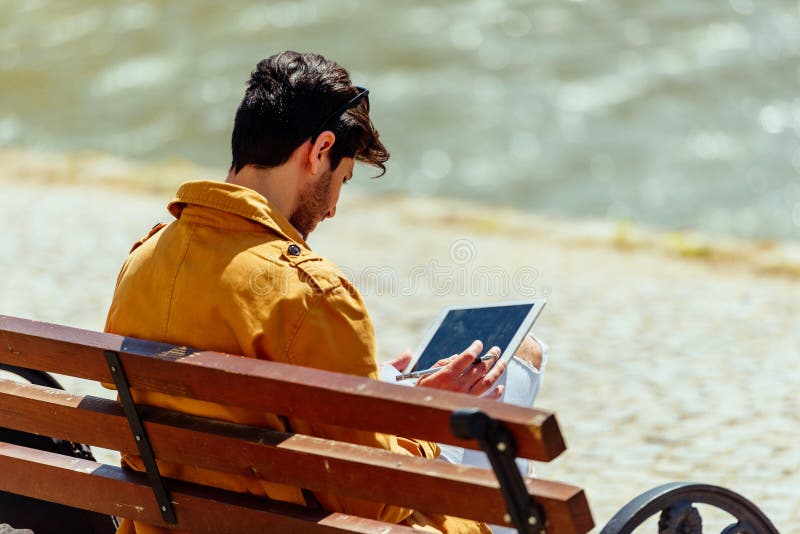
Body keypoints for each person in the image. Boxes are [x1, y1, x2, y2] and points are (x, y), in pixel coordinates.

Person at [104, 51, 523, 534]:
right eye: (342, 179)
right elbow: (371, 501)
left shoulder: (144, 261)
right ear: (320, 149)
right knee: (517, 369)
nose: (333, 210)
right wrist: (421, 417)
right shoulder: (311, 291)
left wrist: (381, 390)